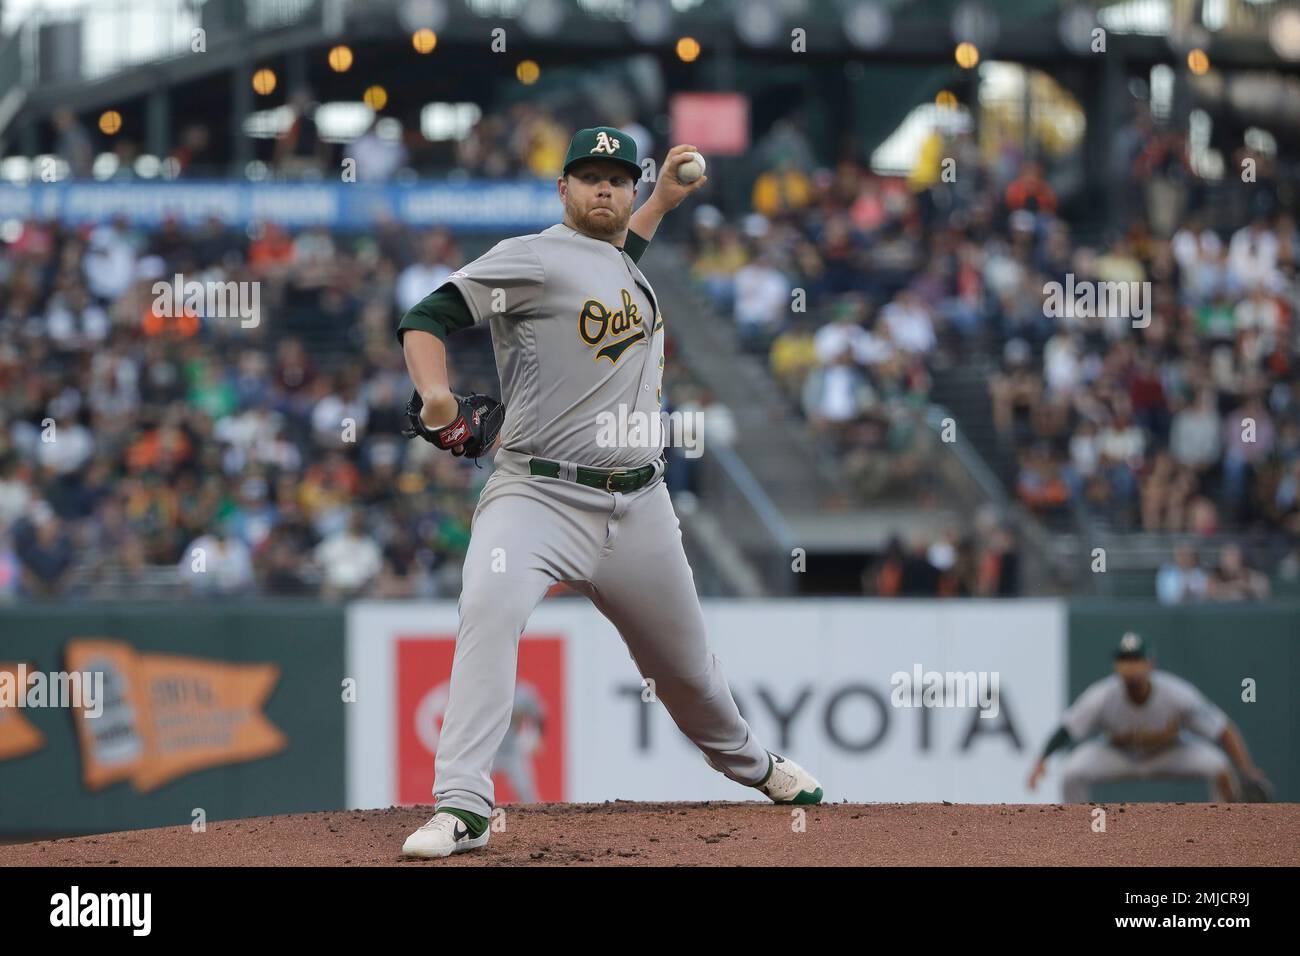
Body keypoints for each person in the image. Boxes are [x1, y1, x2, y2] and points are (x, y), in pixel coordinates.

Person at [395, 127, 823, 858]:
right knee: (489, 609)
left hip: (640, 505)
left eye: (619, 179)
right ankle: (463, 803)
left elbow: (614, 262)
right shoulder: (532, 257)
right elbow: (428, 316)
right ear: (562, 188)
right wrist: (436, 395)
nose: (605, 188)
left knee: (688, 672)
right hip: (537, 495)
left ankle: (755, 765)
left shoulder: (622, 261)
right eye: (591, 176)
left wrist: (662, 202)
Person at [1026, 632, 1269, 803]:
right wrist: (1041, 761)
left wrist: (1247, 769)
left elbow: (1222, 729)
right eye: (1124, 659)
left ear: (1150, 663)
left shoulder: (1176, 693)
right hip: (1119, 754)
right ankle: (1079, 835)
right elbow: (1067, 729)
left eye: (1135, 659)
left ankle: (1228, 831)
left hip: (1170, 752)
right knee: (1072, 772)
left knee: (1218, 766)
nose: (1129, 666)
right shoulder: (1102, 695)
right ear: (1116, 666)